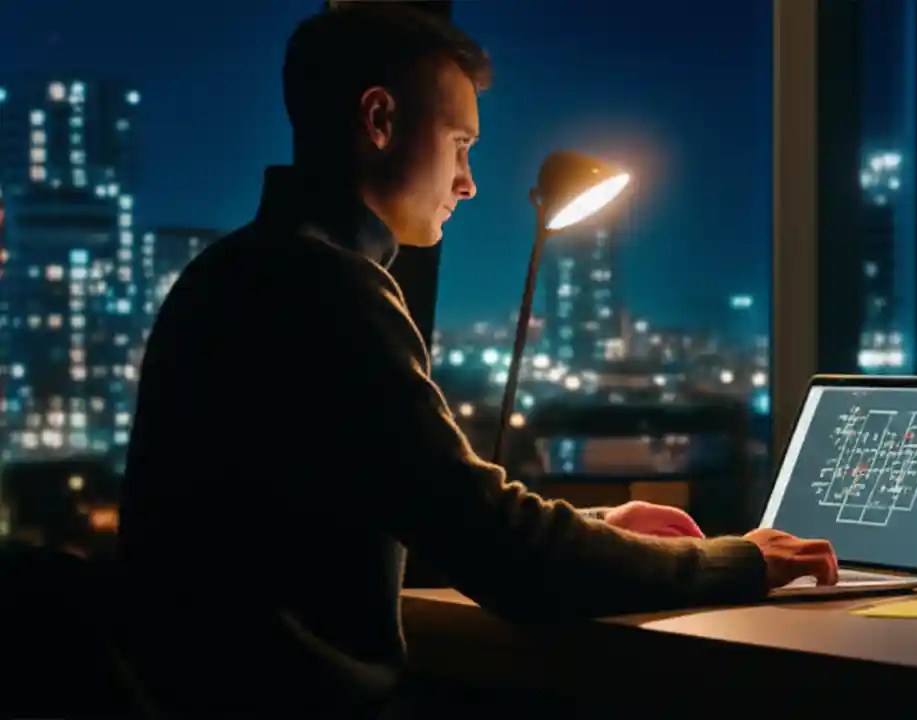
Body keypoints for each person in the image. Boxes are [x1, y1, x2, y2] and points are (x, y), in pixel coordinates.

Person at [115, 5, 837, 717]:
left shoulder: (235, 270)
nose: (469, 182)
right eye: (460, 144)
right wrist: (738, 560)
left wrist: (600, 528)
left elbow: (417, 512)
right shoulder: (325, 288)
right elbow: (501, 554)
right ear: (379, 120)